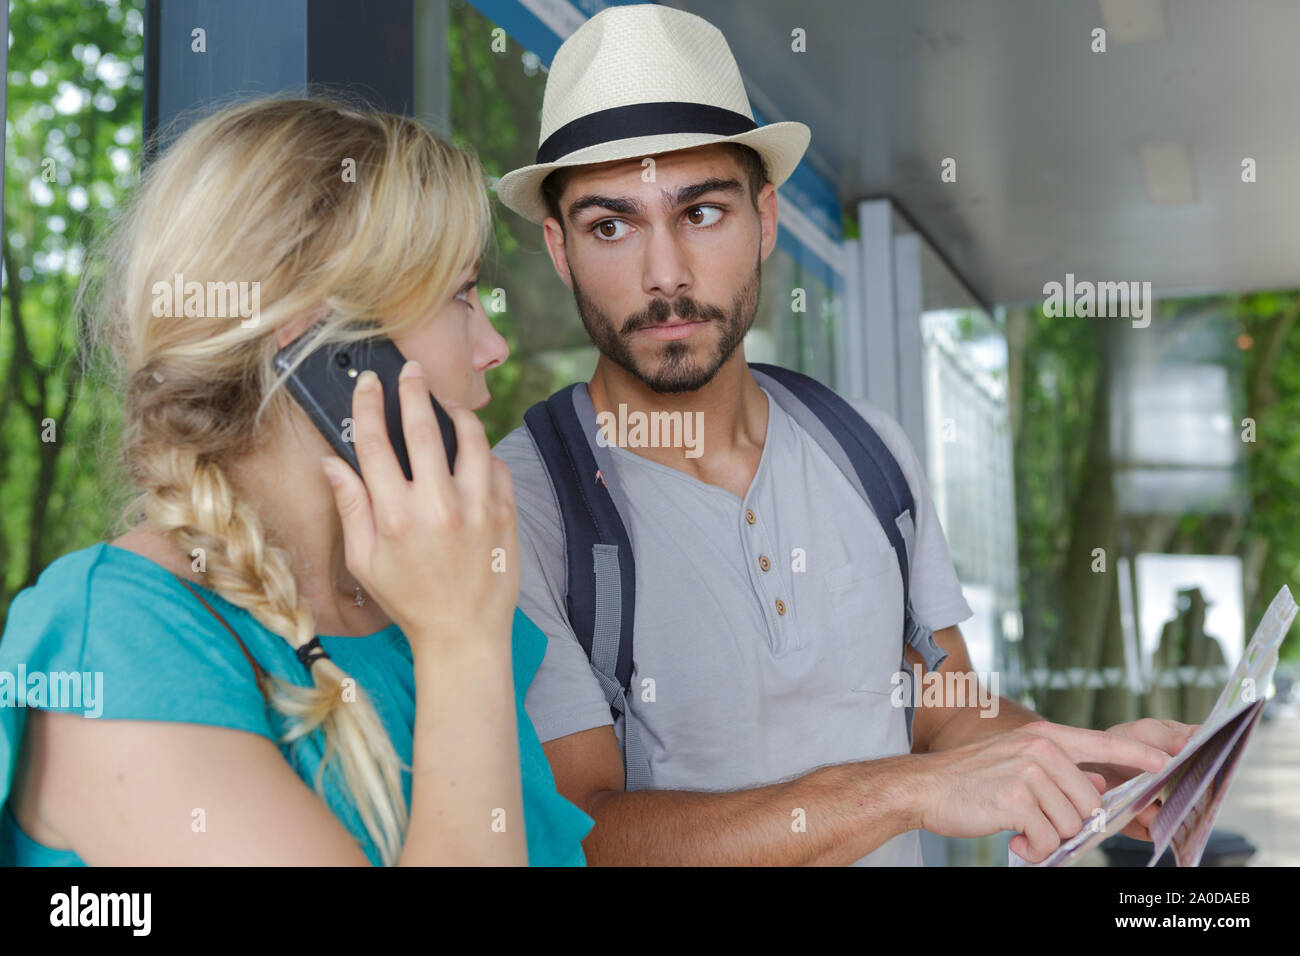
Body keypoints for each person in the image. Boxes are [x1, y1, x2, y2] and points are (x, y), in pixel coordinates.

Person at [491, 3, 1194, 865]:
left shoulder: (866, 449)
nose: (664, 273)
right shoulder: (517, 510)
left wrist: (1100, 769)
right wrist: (902, 791)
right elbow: (581, 835)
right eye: (612, 226)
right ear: (559, 251)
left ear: (767, 218)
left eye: (702, 213)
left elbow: (942, 711)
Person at [0, 95, 593, 866]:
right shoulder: (117, 640)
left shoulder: (435, 606)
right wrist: (458, 644)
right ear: (319, 339)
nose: (493, 346)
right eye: (460, 296)